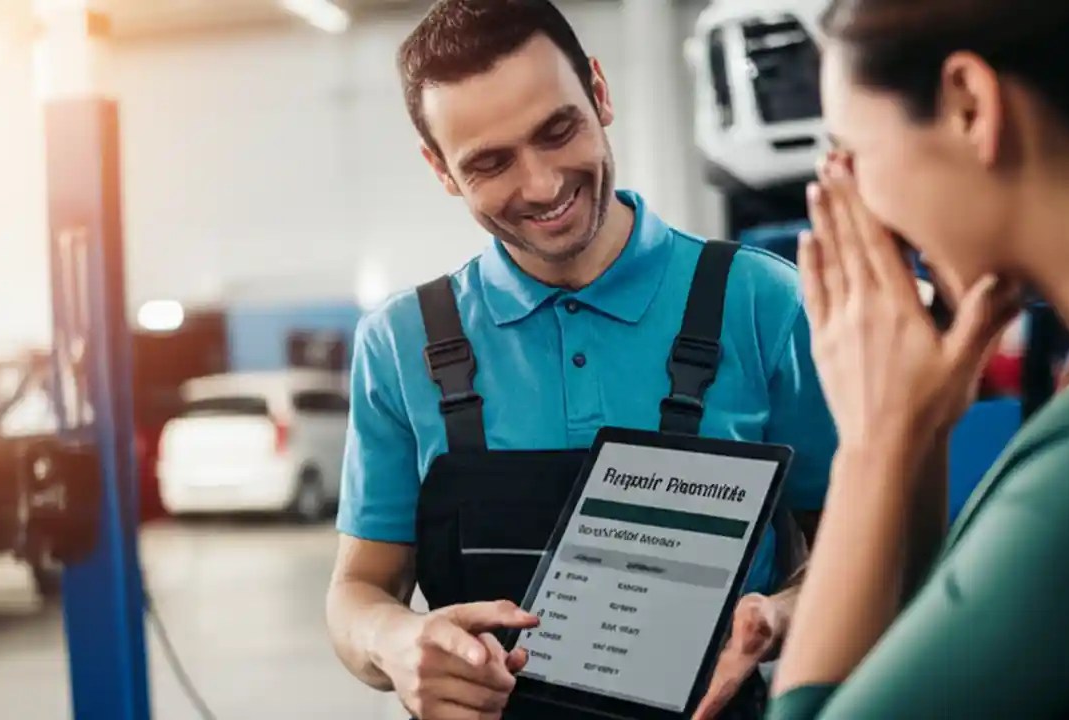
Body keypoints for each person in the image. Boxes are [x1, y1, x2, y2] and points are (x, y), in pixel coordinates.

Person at [323, 1, 839, 718]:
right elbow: (357, 591)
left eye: (557, 130)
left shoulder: (762, 304)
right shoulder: (399, 344)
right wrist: (394, 640)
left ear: (599, 92)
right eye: (490, 163)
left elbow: (856, 552)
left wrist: (781, 615)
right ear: (440, 169)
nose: (540, 186)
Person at [765, 0, 1069, 717]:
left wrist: (873, 444)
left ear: (969, 106)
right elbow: (927, 662)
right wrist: (918, 433)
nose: (852, 199)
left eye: (851, 153)